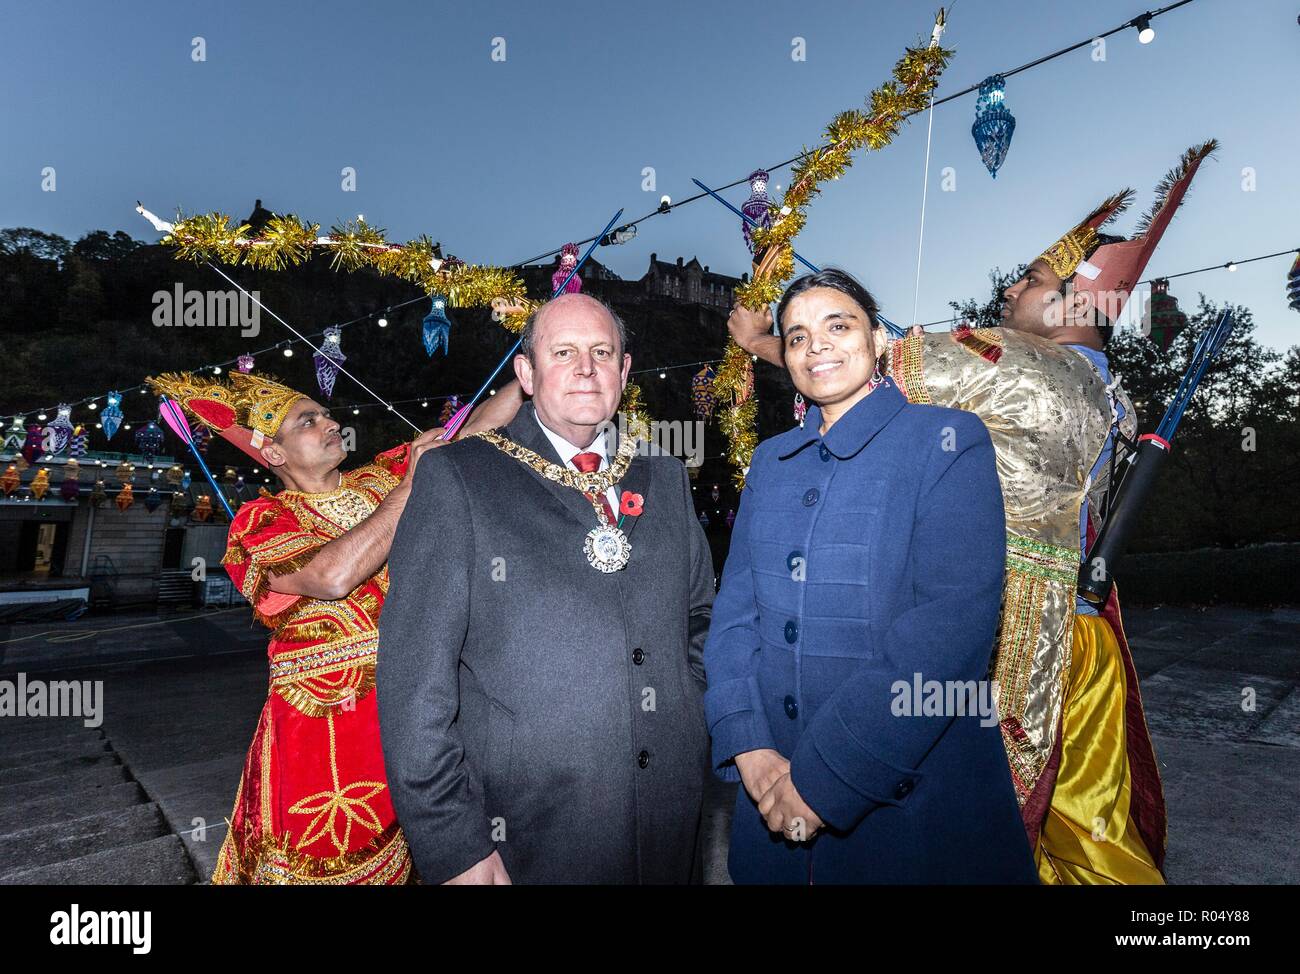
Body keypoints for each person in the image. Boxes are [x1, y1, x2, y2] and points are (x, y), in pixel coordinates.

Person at [726, 140, 1217, 883]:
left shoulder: (1021, 364)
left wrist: (761, 338)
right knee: (1087, 830)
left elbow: (874, 361)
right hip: (1088, 637)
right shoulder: (1112, 396)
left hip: (1019, 634)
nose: (1012, 293)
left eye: (1031, 281)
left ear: (1078, 303)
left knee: (997, 807)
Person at [706, 269, 1036, 884]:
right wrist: (747, 745)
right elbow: (735, 618)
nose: (818, 346)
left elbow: (947, 632)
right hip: (768, 798)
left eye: (839, 325)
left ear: (879, 340)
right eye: (797, 336)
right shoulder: (770, 462)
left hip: (908, 815)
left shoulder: (945, 442)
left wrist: (824, 780)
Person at [376, 292, 714, 884]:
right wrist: (455, 846)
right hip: (527, 831)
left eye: (601, 352)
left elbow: (698, 623)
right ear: (527, 374)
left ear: (624, 370)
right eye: (563, 352)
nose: (586, 368)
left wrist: (687, 722)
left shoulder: (664, 474)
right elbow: (414, 684)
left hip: (669, 814)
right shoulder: (459, 477)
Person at [147, 369, 521, 884]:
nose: (330, 423)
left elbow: (476, 429)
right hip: (323, 722)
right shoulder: (260, 521)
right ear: (274, 453)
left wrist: (532, 373)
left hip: (418, 695)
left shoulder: (376, 480)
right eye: (309, 421)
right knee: (331, 860)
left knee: (445, 846)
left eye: (325, 414)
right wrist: (415, 482)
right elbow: (332, 576)